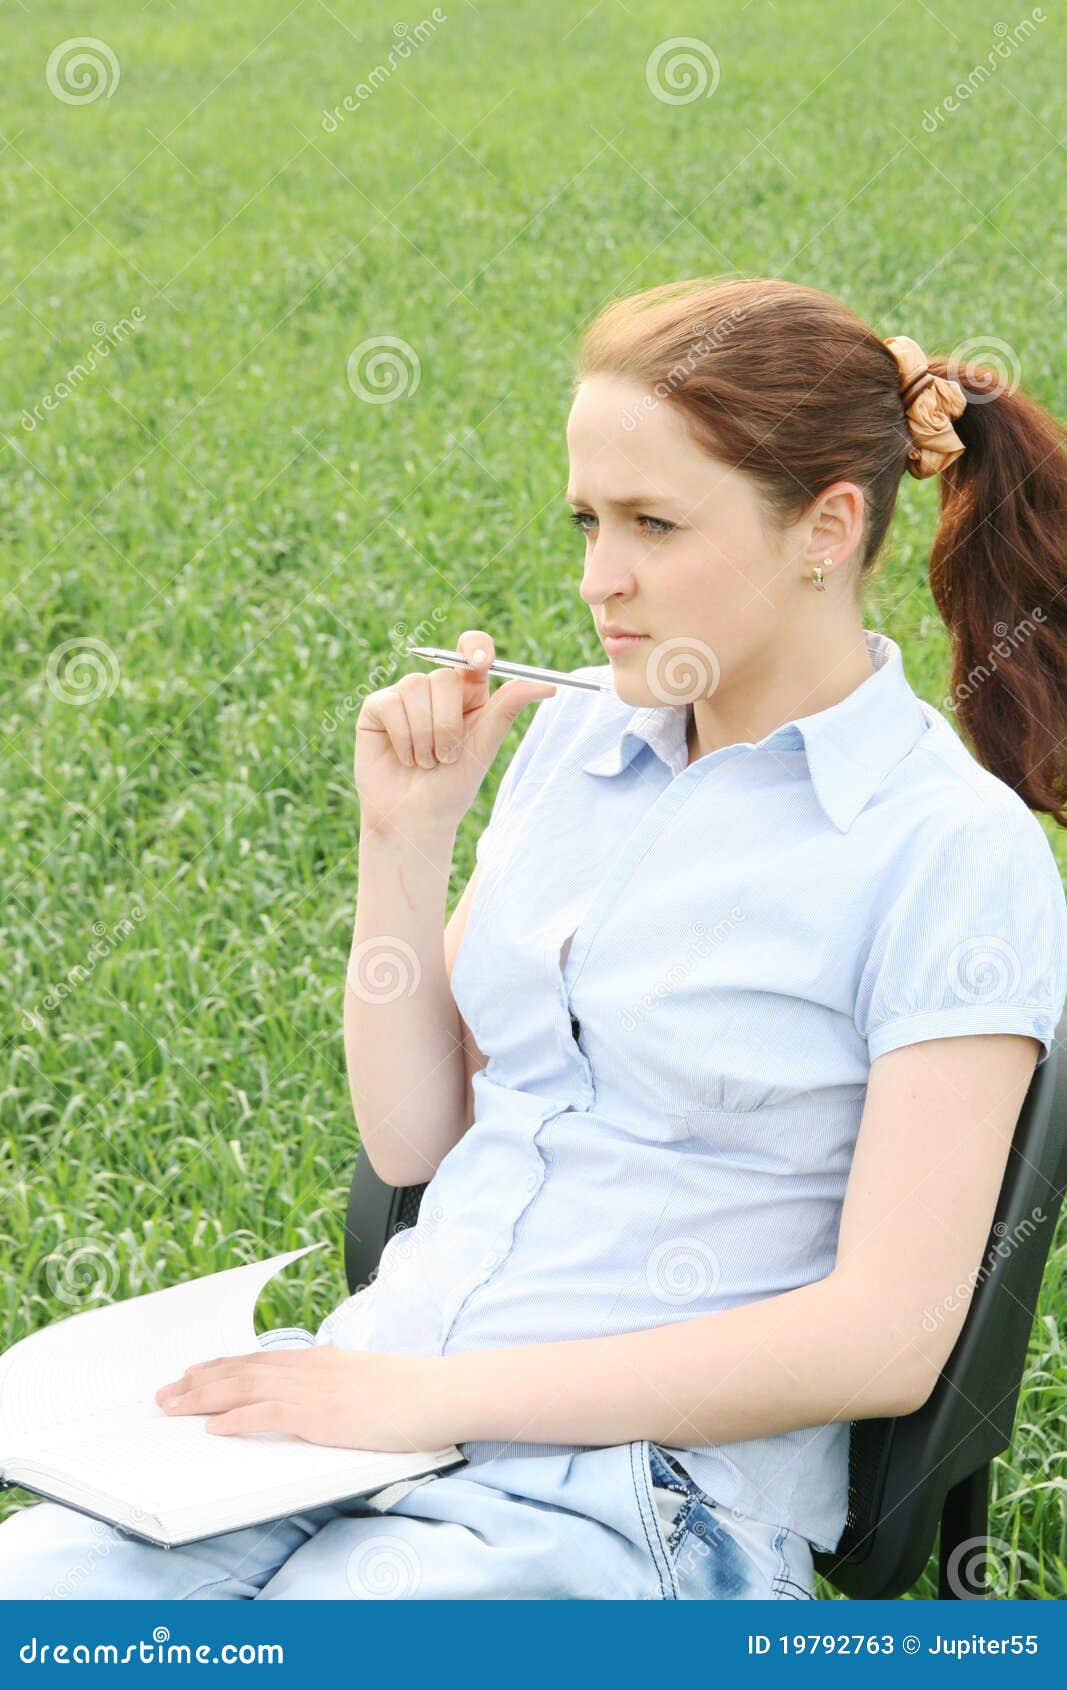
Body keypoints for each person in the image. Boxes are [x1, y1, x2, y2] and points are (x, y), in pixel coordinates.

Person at [3, 276, 1066, 1600]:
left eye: (652, 524)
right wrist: (404, 840)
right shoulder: (578, 743)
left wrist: (425, 1396)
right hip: (365, 1428)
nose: (596, 577)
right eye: (586, 519)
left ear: (827, 528)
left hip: (644, 1506)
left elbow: (890, 1336)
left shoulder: (948, 851)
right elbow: (415, 1144)